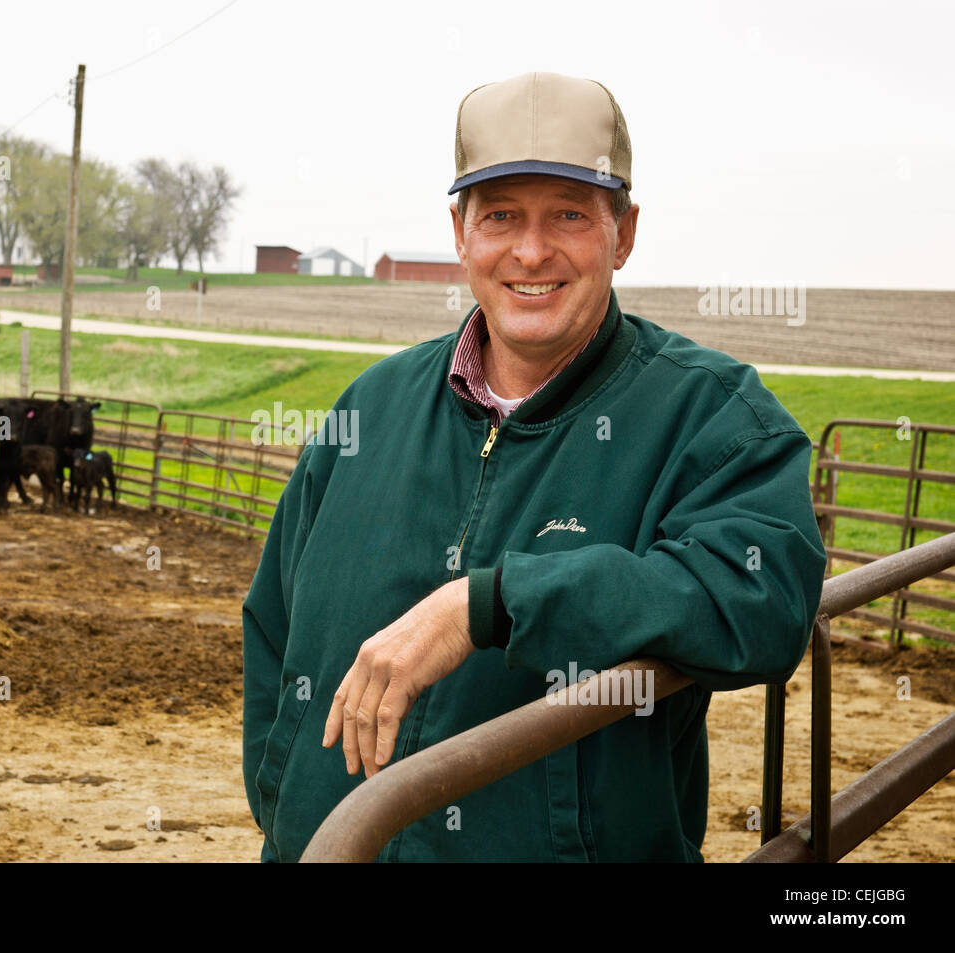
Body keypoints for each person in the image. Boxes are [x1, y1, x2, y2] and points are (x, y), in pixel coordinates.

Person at [241, 71, 827, 862]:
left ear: (624, 231)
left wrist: (492, 604)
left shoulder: (713, 418)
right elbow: (273, 624)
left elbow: (763, 599)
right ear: (460, 231)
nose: (531, 250)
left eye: (571, 215)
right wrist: (285, 805)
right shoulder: (368, 411)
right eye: (502, 215)